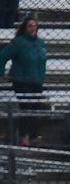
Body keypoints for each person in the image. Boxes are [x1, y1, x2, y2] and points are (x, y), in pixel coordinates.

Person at [0, 16, 46, 145]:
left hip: (37, 80)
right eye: (30, 26)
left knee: (36, 108)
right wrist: (1, 73)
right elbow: (3, 55)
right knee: (27, 107)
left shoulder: (40, 42)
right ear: (25, 28)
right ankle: (23, 135)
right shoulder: (18, 42)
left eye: (34, 25)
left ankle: (34, 136)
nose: (33, 28)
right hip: (22, 80)